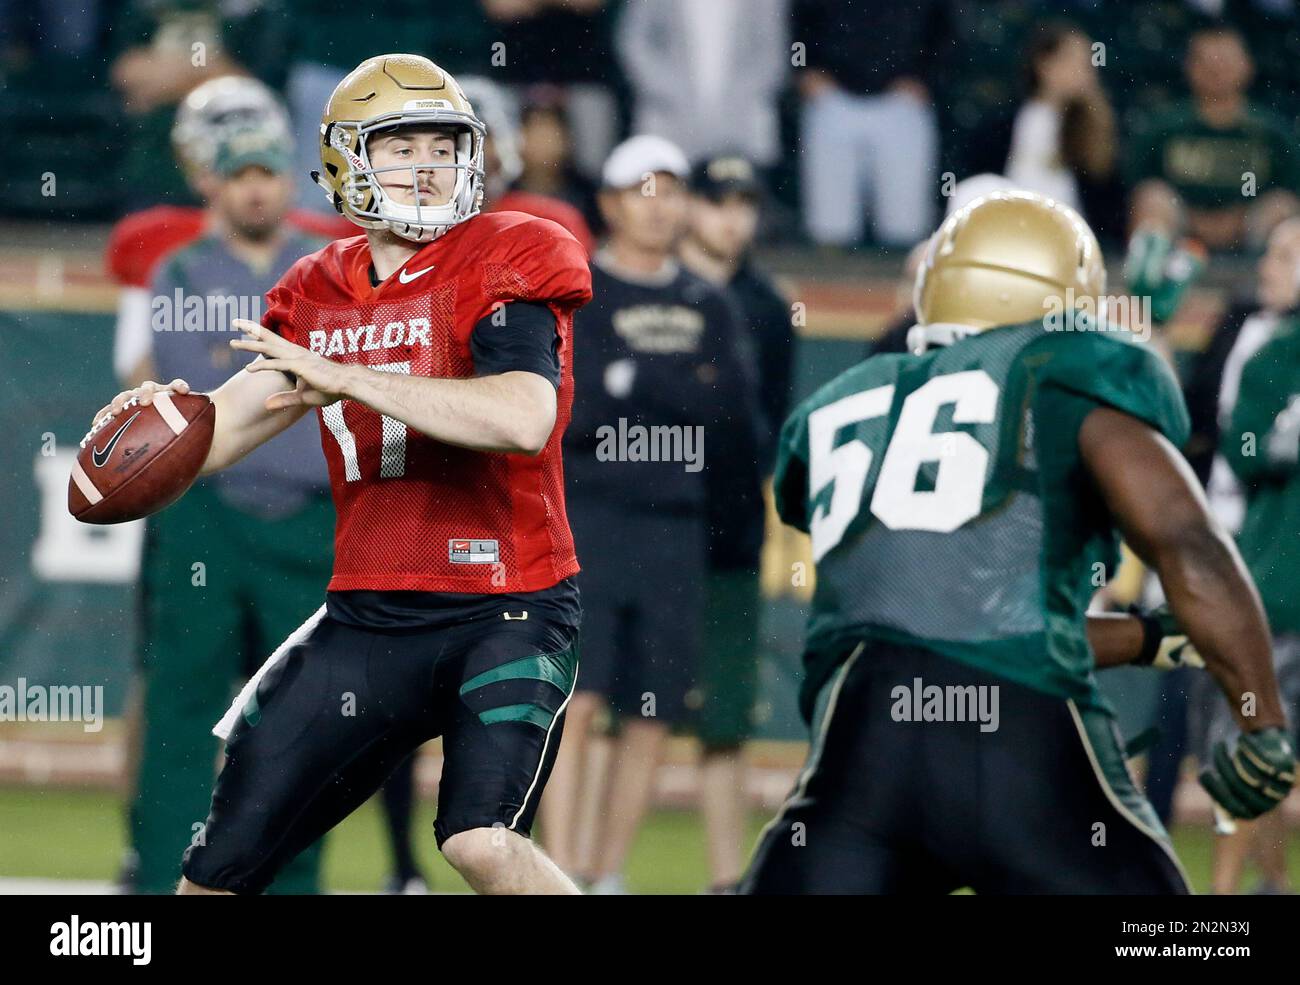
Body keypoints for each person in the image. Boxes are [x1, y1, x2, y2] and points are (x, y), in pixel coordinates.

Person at [94, 53, 591, 895]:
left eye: (444, 143)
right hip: (367, 613)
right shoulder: (315, 290)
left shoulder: (510, 253)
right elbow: (220, 433)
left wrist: (352, 377)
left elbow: (522, 416)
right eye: (404, 146)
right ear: (344, 161)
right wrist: (163, 424)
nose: (429, 166)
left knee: (479, 839)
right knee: (217, 866)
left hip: (505, 604)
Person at [742, 191, 1295, 894]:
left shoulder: (845, 405)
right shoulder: (1063, 372)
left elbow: (949, 620)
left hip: (862, 750)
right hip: (1022, 745)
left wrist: (1146, 638)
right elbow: (1189, 541)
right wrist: (1262, 722)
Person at [542, 135, 762, 893]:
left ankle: (606, 871)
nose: (658, 204)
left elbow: (732, 416)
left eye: (670, 188)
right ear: (607, 203)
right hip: (588, 520)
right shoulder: (577, 289)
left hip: (676, 524)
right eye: (642, 189)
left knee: (651, 709)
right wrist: (678, 385)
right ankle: (560, 866)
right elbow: (580, 408)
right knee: (580, 698)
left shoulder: (711, 301)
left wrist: (642, 380)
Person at [124, 123, 334, 895]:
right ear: (212, 182)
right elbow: (194, 397)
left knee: (302, 716)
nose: (256, 188)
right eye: (240, 173)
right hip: (203, 510)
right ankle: (159, 880)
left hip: (313, 517)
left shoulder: (318, 272)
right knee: (182, 698)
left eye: (269, 173)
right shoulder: (179, 271)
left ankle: (291, 879)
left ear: (289, 183)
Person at [678, 155, 792, 891]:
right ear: (692, 205)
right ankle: (583, 874)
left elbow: (771, 429)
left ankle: (728, 881)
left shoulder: (768, 307)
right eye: (719, 201)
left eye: (745, 202)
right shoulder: (641, 283)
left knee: (725, 719)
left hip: (730, 536)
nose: (732, 217)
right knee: (603, 712)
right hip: (635, 531)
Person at [792, 0, 950, 247]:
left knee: (905, 226)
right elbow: (796, 23)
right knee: (829, 229)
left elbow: (946, 25)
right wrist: (803, 70)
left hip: (903, 103)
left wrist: (928, 79)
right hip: (831, 101)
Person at [1128, 25, 1300, 254]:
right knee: (1151, 199)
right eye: (1207, 63)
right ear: (1189, 68)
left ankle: (1281, 283)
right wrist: (1197, 221)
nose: (1216, 71)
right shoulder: (1163, 128)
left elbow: (1289, 191)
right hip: (1182, 226)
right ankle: (1147, 281)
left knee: (1282, 207)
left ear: (1247, 66)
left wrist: (1235, 222)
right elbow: (1139, 186)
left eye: (1225, 62)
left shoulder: (1273, 133)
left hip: (1250, 227)